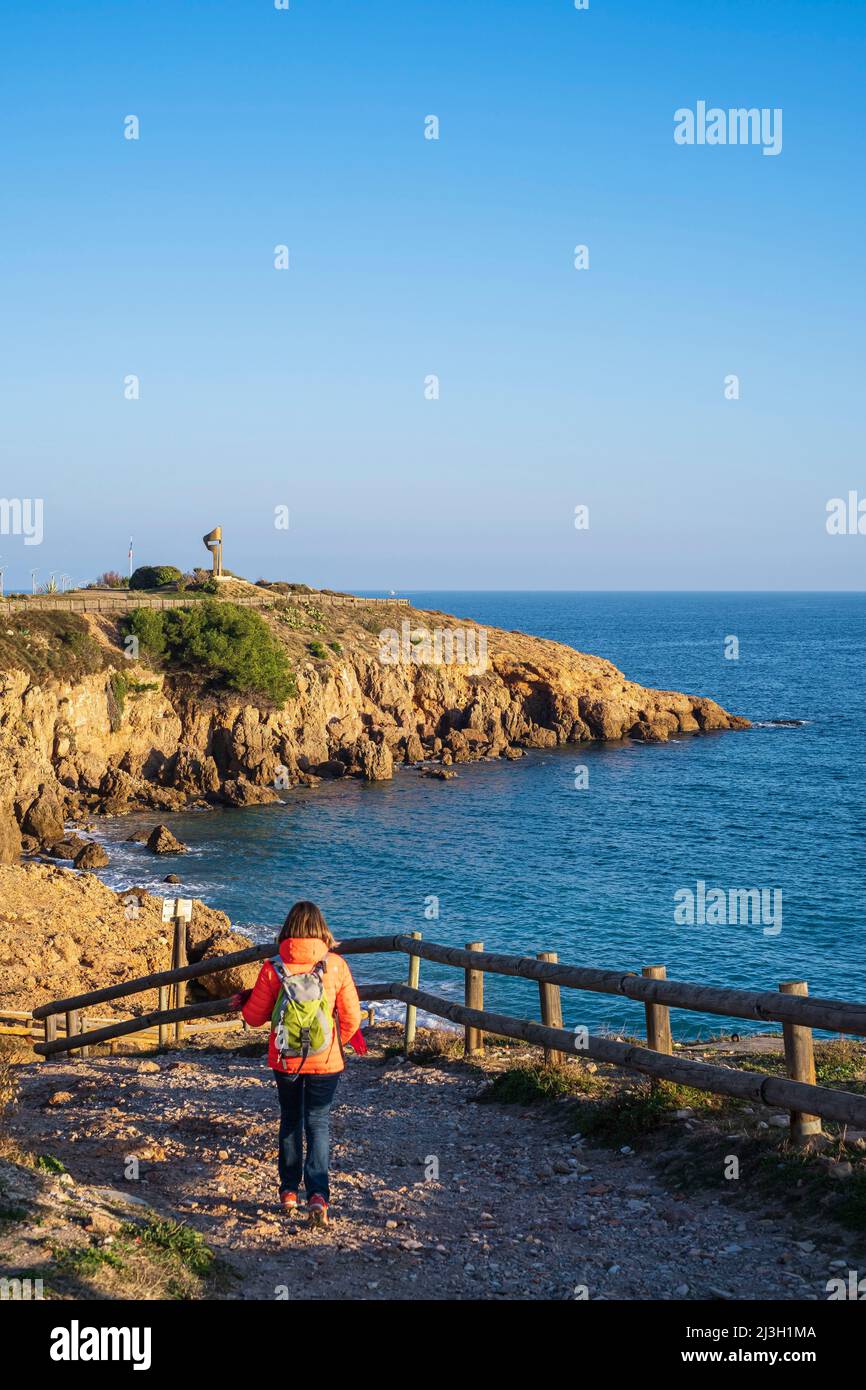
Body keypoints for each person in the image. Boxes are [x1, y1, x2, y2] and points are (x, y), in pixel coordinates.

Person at [232, 901, 361, 1227]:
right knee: (318, 1123)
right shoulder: (336, 965)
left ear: (288, 929)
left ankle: (288, 1192)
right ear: (321, 928)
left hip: (286, 1059)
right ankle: (318, 1195)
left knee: (290, 1119)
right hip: (326, 1060)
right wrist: (333, 1044)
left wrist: (246, 1001)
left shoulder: (273, 967)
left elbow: (254, 1017)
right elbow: (352, 1018)